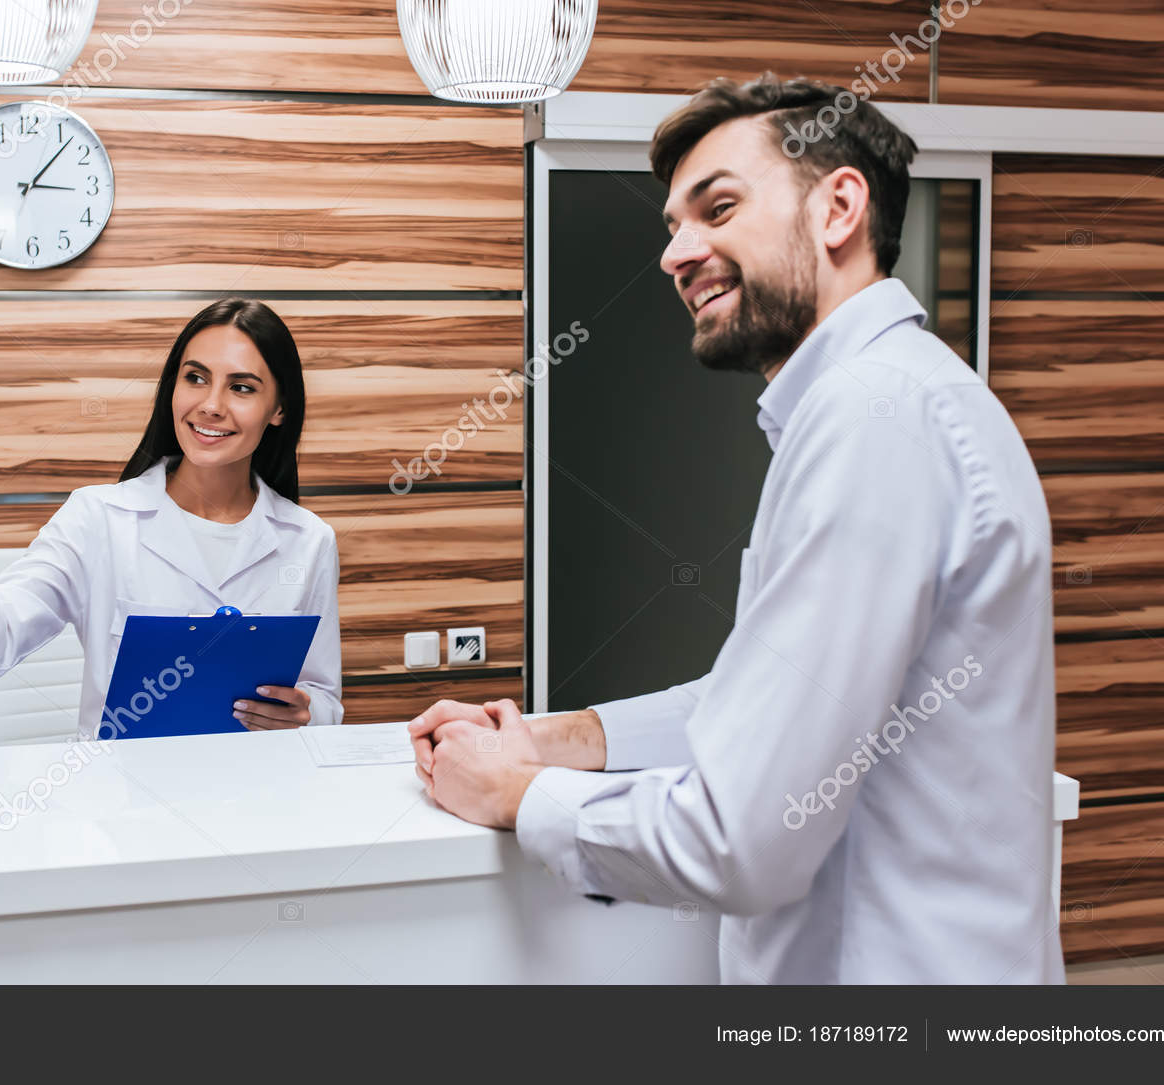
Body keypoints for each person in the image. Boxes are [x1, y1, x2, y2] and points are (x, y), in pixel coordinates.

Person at [409, 75, 1062, 984]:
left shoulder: (877, 417)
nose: (678, 253)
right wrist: (551, 738)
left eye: (716, 207)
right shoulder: (889, 398)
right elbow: (756, 697)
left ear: (839, 207)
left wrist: (518, 795)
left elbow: (744, 838)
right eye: (671, 227)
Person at [0, 298, 342, 740]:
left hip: (257, 798)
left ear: (278, 409)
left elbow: (324, 698)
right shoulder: (97, 518)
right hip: (125, 807)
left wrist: (307, 713)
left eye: (241, 387)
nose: (210, 405)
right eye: (195, 377)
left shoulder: (308, 540)